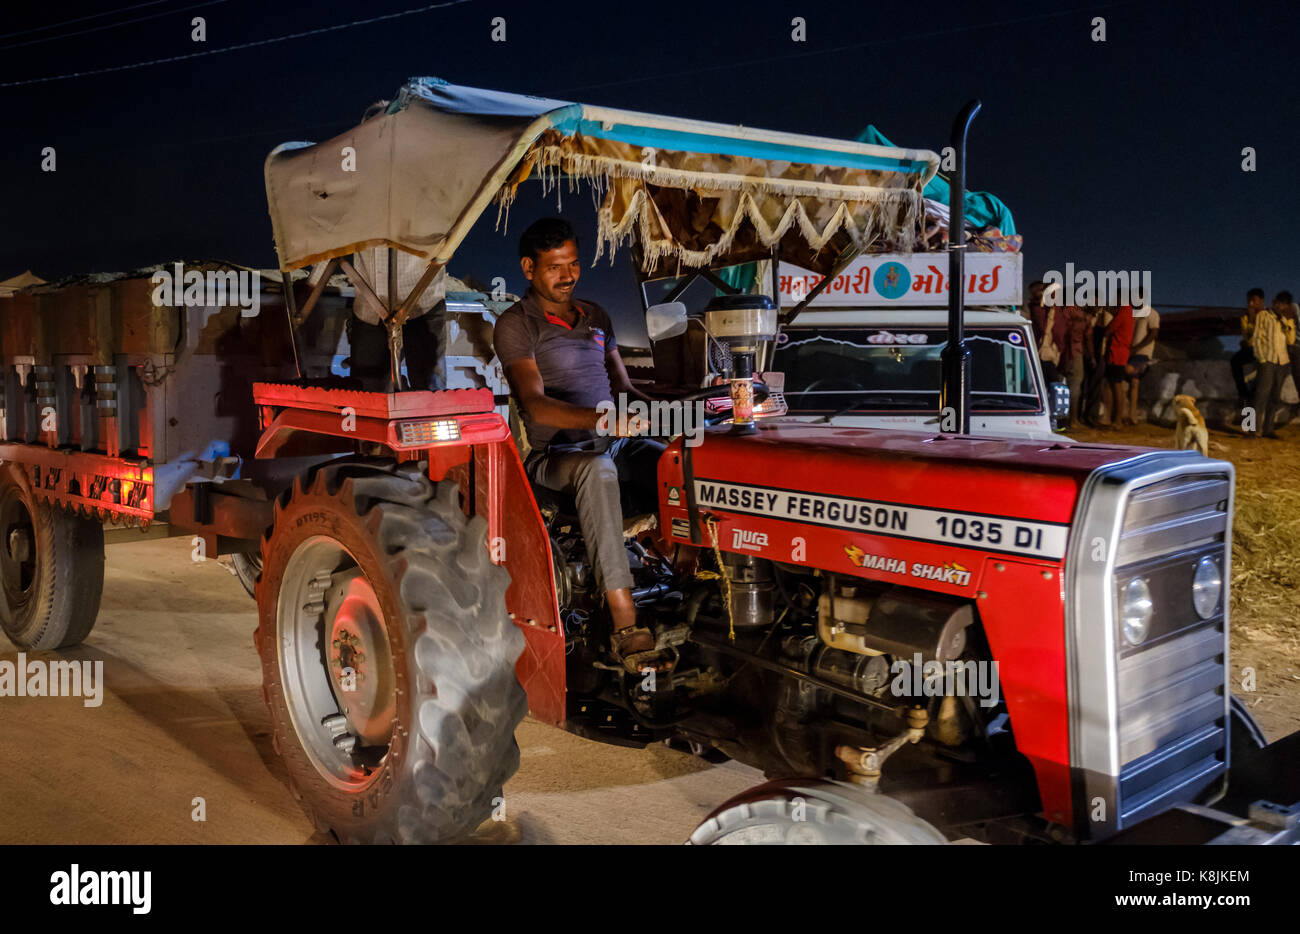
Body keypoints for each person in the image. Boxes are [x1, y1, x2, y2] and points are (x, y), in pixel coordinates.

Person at [493, 218, 667, 672]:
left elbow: (625, 388)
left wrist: (678, 411)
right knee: (598, 469)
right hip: (558, 457)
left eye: (573, 264)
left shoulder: (597, 316)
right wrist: (607, 418)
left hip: (613, 442)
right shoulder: (517, 324)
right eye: (555, 267)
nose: (568, 275)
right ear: (529, 268)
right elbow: (536, 406)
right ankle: (624, 620)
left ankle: (687, 568)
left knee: (671, 459)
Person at [334, 100, 445, 391]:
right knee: (369, 392)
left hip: (421, 304)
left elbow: (446, 239)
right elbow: (332, 239)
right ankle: (370, 439)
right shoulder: (351, 190)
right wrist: (310, 284)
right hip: (370, 309)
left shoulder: (428, 186)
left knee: (429, 392)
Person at [1248, 290, 1297, 439]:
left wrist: (1289, 323)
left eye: (1284, 305)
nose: (1281, 307)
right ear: (1274, 302)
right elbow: (1257, 339)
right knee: (1261, 396)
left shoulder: (1286, 320)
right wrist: (1262, 359)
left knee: (1275, 398)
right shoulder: (1264, 315)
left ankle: (1268, 429)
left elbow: (1290, 341)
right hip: (1267, 360)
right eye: (1279, 303)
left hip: (1282, 361)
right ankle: (1252, 430)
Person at [1100, 304, 1135, 426]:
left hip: (1116, 353)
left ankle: (1117, 420)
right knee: (1112, 385)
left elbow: (1109, 329)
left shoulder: (1124, 311)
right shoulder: (1128, 312)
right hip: (1119, 353)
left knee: (1116, 385)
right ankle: (1112, 418)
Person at [1231, 288, 1266, 408]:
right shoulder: (1245, 317)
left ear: (1261, 301)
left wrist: (1254, 320)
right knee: (1235, 360)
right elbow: (1246, 335)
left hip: (1265, 351)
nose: (1250, 304)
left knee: (1262, 371)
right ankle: (1243, 394)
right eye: (1249, 301)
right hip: (1252, 349)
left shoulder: (1268, 316)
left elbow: (1262, 335)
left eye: (1254, 301)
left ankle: (1251, 396)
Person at [1127, 304, 1160, 424]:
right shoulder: (1132, 313)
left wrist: (1137, 348)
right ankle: (1130, 415)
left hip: (1142, 353)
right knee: (1132, 383)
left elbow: (1153, 333)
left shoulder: (1152, 313)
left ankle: (1132, 415)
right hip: (1129, 352)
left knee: (1132, 380)